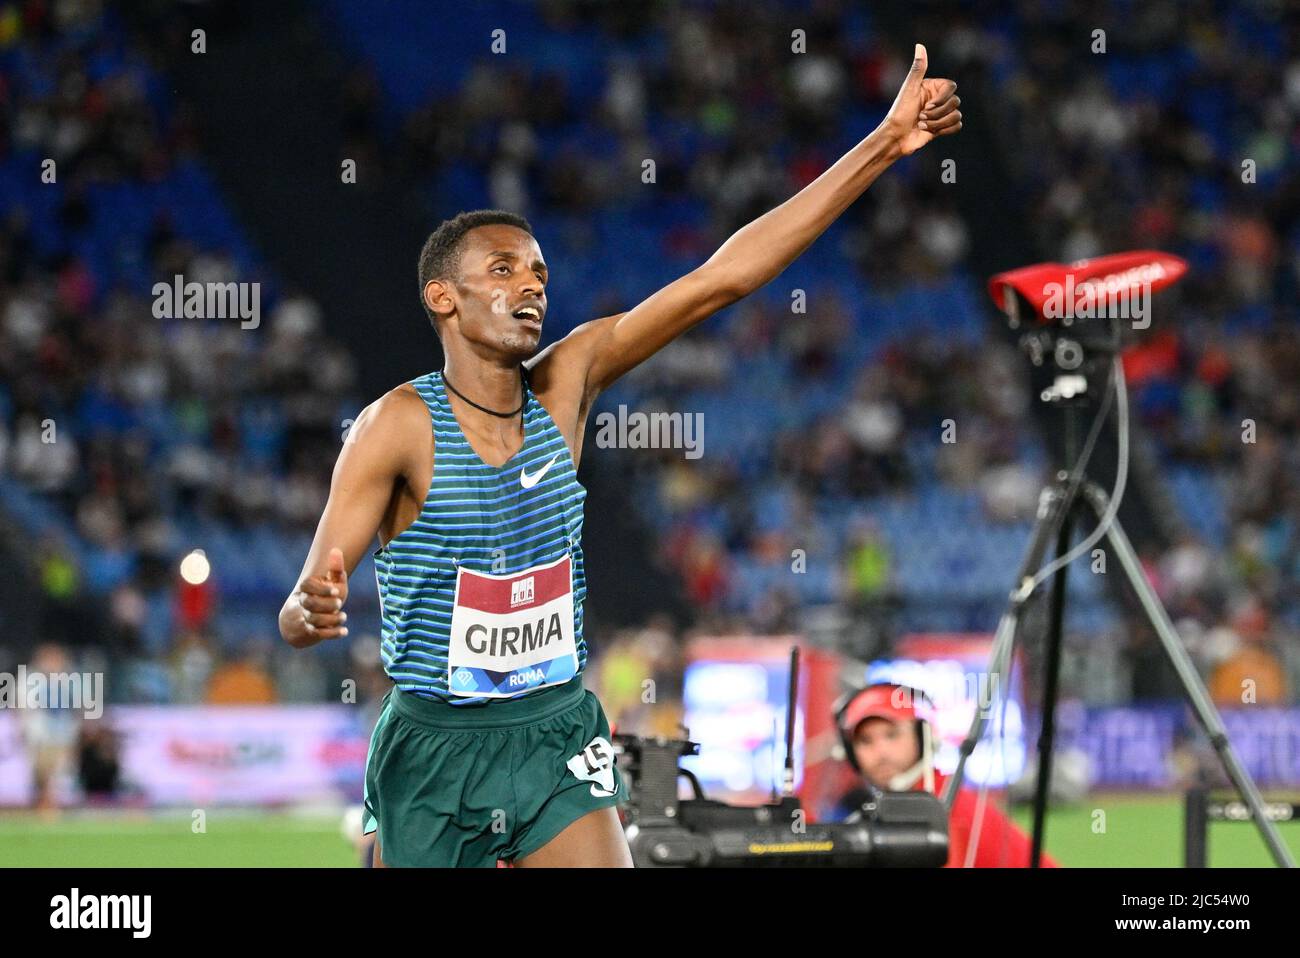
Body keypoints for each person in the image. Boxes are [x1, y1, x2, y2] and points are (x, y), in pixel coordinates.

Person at [279, 45, 962, 867]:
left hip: (556, 730)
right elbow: (305, 599)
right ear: (443, 298)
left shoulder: (569, 379)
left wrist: (884, 144)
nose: (531, 286)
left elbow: (722, 278)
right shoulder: (397, 425)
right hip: (435, 747)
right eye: (503, 271)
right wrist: (308, 611)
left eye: (538, 271)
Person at [834, 682, 1059, 868]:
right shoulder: (921, 800)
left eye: (892, 735)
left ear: (923, 737)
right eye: (865, 740)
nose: (880, 752)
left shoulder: (942, 807)